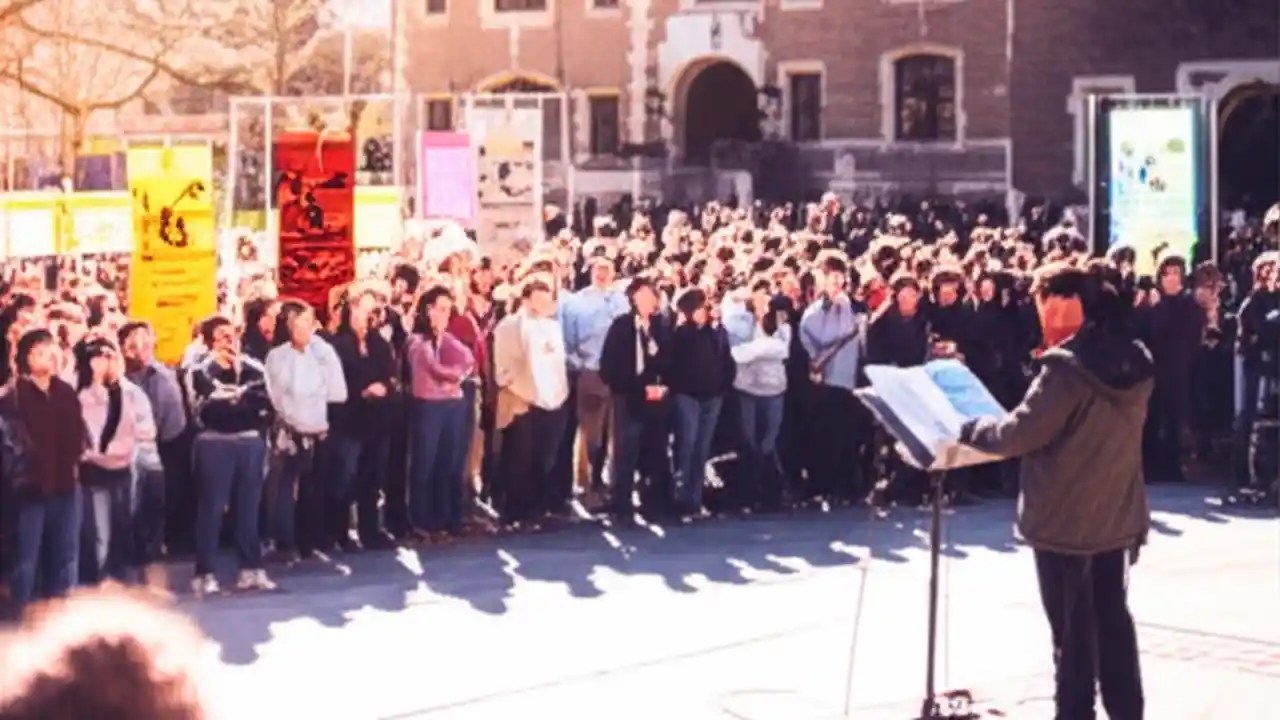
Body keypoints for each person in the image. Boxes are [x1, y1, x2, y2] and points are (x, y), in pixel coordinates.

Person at [961, 263, 1150, 720]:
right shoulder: (1137, 359)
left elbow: (1017, 434)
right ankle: (1128, 712)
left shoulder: (1066, 370)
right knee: (1112, 621)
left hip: (1065, 520)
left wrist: (972, 428)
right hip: (1115, 513)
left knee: (1072, 635)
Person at [185, 315, 275, 595]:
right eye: (222, 335)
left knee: (248, 507)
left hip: (249, 442)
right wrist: (237, 398)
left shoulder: (254, 368)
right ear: (210, 340)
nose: (229, 340)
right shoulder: (199, 370)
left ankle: (251, 569)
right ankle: (205, 572)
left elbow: (261, 404)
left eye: (232, 334)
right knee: (212, 508)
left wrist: (234, 397)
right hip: (214, 443)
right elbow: (203, 407)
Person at [1, 330, 87, 613]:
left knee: (64, 555)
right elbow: (11, 444)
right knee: (26, 558)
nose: (46, 357)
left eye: (50, 351)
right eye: (38, 351)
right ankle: (21, 615)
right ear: (25, 358)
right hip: (30, 487)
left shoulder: (65, 391)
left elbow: (77, 433)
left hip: (66, 483)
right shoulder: (14, 397)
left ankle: (58, 618)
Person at [264, 300, 348, 561]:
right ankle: (283, 541)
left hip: (316, 429)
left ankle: (308, 540)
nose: (311, 328)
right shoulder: (277, 356)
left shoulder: (317, 353)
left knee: (311, 487)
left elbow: (337, 391)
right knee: (285, 487)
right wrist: (292, 424)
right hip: (290, 431)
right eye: (304, 322)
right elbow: (277, 395)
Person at [492, 277, 570, 525]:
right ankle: (515, 511)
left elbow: (558, 363)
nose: (543, 302)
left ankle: (538, 509)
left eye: (547, 296)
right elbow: (504, 369)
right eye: (538, 297)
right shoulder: (509, 326)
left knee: (544, 459)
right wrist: (523, 391)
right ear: (526, 299)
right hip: (522, 401)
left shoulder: (553, 326)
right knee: (518, 459)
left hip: (553, 402)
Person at [328, 286, 398, 550]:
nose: (368, 314)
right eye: (364, 308)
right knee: (344, 476)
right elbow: (338, 380)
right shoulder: (337, 344)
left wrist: (385, 387)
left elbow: (391, 374)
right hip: (348, 419)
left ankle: (371, 529)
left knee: (372, 475)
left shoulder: (379, 342)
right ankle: (339, 532)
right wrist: (361, 391)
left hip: (376, 419)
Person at [599, 277, 671, 524]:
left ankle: (654, 502)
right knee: (625, 451)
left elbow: (670, 360)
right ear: (632, 299)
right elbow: (608, 366)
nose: (648, 300)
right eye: (642, 296)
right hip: (628, 397)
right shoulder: (621, 326)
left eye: (652, 295)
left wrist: (662, 386)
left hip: (656, 397)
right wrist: (631, 387)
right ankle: (622, 505)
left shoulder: (662, 325)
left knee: (656, 450)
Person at [405, 285, 475, 541]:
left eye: (448, 310)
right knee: (426, 462)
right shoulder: (417, 341)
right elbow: (432, 367)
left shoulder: (445, 339)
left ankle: (447, 517)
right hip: (428, 406)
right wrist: (455, 376)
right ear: (428, 310)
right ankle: (422, 519)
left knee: (449, 461)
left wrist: (457, 375)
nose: (446, 315)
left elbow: (468, 358)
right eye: (441, 309)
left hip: (451, 405)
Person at [73, 336, 138, 586]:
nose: (103, 363)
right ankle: (96, 578)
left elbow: (132, 430)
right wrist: (95, 454)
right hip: (94, 470)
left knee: (120, 524)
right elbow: (89, 432)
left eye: (109, 357)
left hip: (121, 466)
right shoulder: (82, 394)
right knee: (98, 530)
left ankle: (117, 576)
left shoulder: (127, 392)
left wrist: (116, 452)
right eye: (97, 358)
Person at [667, 287, 735, 516]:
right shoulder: (681, 334)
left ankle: (695, 499)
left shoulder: (715, 332)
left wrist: (723, 385)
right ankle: (680, 496)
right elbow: (674, 366)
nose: (705, 311)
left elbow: (726, 358)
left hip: (712, 396)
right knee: (687, 444)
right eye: (700, 307)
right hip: (688, 395)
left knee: (702, 449)